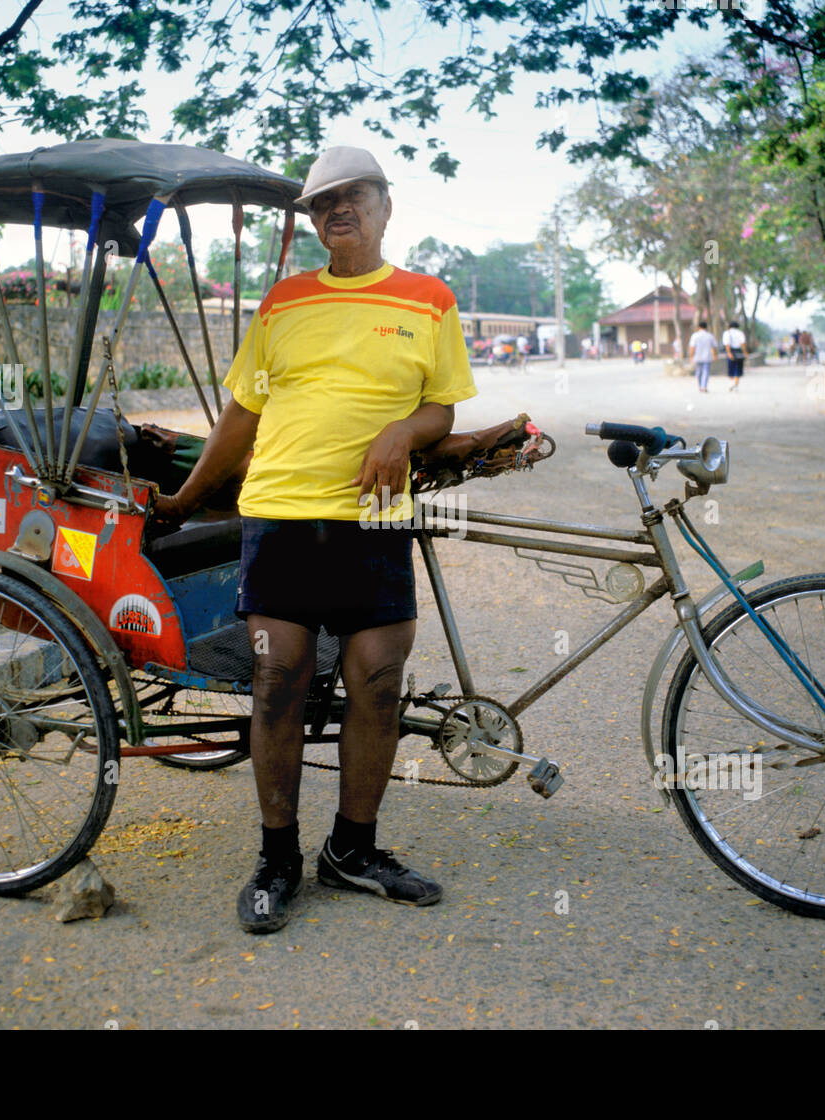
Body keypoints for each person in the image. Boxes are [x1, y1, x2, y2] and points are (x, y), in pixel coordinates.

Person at [153, 146, 477, 933]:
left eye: (352, 195)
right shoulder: (284, 302)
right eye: (321, 203)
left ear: (384, 205)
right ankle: (277, 856)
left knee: (375, 679)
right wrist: (188, 499)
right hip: (282, 516)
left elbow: (444, 408)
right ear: (313, 223)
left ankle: (354, 850)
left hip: (373, 521)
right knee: (279, 681)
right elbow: (243, 415)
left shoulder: (429, 299)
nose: (337, 210)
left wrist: (403, 429)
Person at [687, 317, 717, 393]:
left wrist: (691, 356)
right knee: (705, 372)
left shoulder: (695, 336)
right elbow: (714, 347)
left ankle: (700, 386)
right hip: (707, 357)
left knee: (698, 372)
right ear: (706, 327)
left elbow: (692, 347)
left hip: (697, 357)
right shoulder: (710, 336)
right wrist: (714, 355)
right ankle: (704, 386)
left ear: (699, 327)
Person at [721, 320, 747, 391]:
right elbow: (743, 344)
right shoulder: (740, 333)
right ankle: (736, 385)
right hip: (738, 351)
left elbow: (727, 344)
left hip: (730, 351)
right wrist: (745, 353)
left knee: (731, 367)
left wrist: (729, 353)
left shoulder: (727, 333)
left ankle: (731, 383)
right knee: (738, 369)